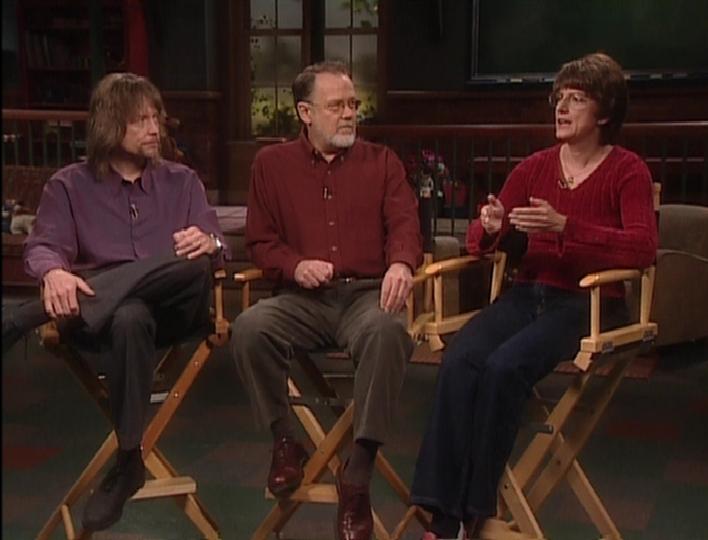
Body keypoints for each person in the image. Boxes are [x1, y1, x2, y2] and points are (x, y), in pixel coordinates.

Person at [410, 53, 658, 540]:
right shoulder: (534, 167)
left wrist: (567, 227)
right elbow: (481, 241)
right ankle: (441, 516)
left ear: (605, 112)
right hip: (526, 293)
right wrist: (491, 226)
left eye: (577, 99)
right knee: (461, 359)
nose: (562, 108)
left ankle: (474, 511)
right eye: (559, 98)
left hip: (589, 303)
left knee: (504, 367)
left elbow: (643, 248)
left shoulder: (628, 170)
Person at [2, 72, 226, 532]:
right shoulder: (68, 186)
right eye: (140, 120)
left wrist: (210, 243)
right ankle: (128, 461)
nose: (154, 129)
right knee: (128, 315)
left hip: (175, 309)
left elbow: (215, 244)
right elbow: (43, 247)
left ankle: (22, 318)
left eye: (156, 118)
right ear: (108, 124)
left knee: (190, 265)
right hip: (105, 321)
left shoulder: (182, 181)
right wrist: (54, 271)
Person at [230, 60, 422, 540]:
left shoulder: (382, 162)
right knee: (249, 327)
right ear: (305, 113)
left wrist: (401, 263)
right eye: (336, 106)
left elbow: (405, 224)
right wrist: (294, 264)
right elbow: (260, 242)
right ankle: (285, 439)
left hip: (366, 295)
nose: (349, 114)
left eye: (353, 104)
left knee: (388, 331)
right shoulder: (271, 165)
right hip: (303, 299)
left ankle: (358, 471)